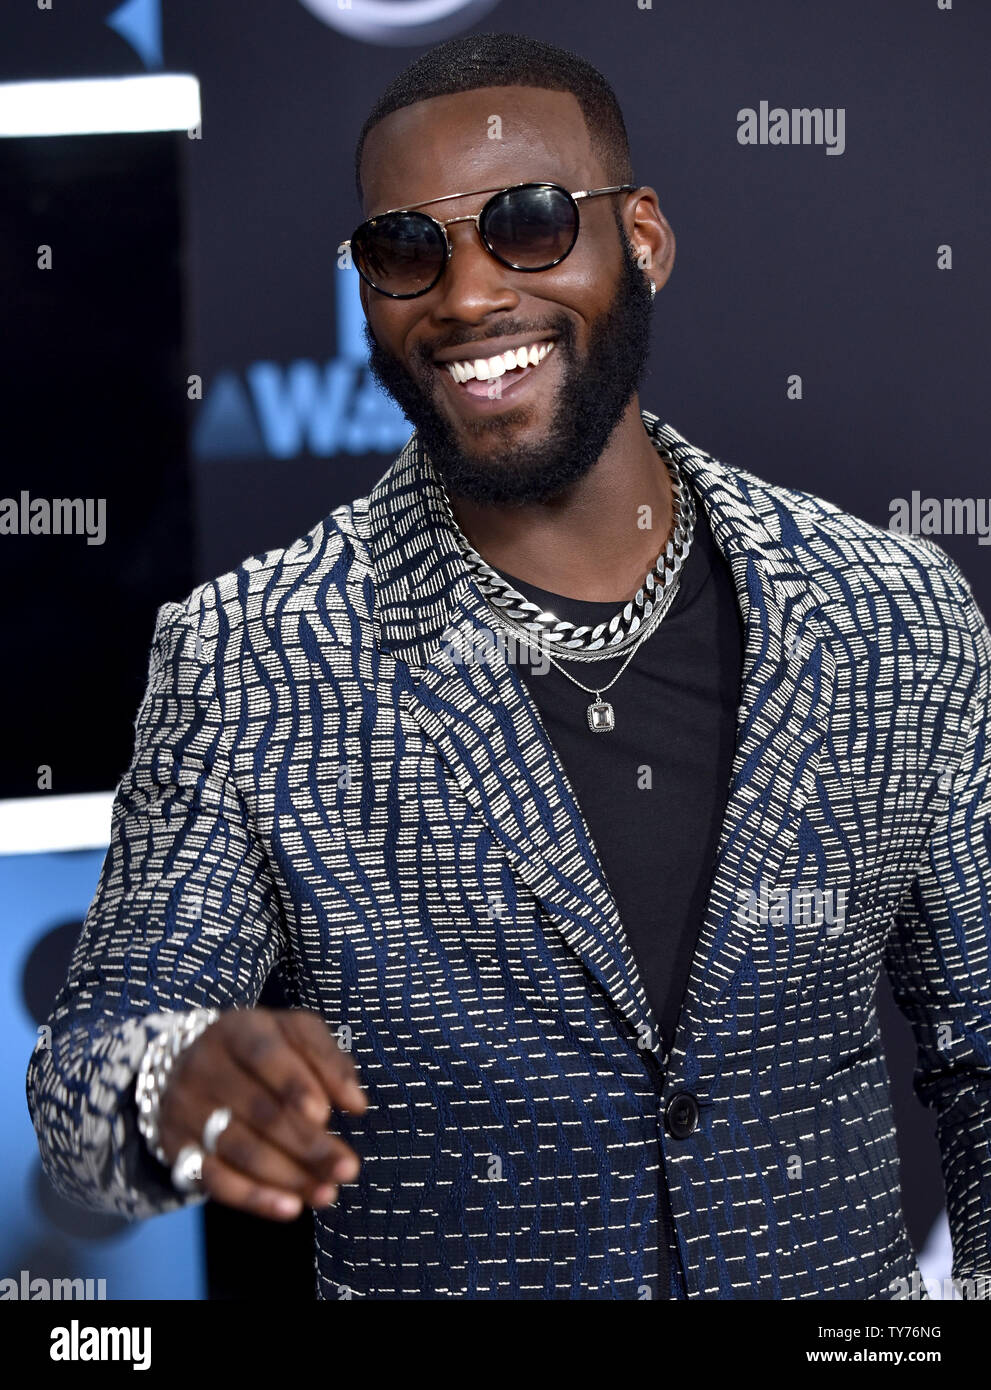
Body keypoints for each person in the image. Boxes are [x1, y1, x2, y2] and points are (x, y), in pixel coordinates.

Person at [27, 31, 991, 1301]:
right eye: (405, 250)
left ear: (639, 240)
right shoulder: (251, 654)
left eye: (528, 223)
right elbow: (87, 1070)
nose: (469, 295)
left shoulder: (890, 614)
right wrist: (173, 1086)